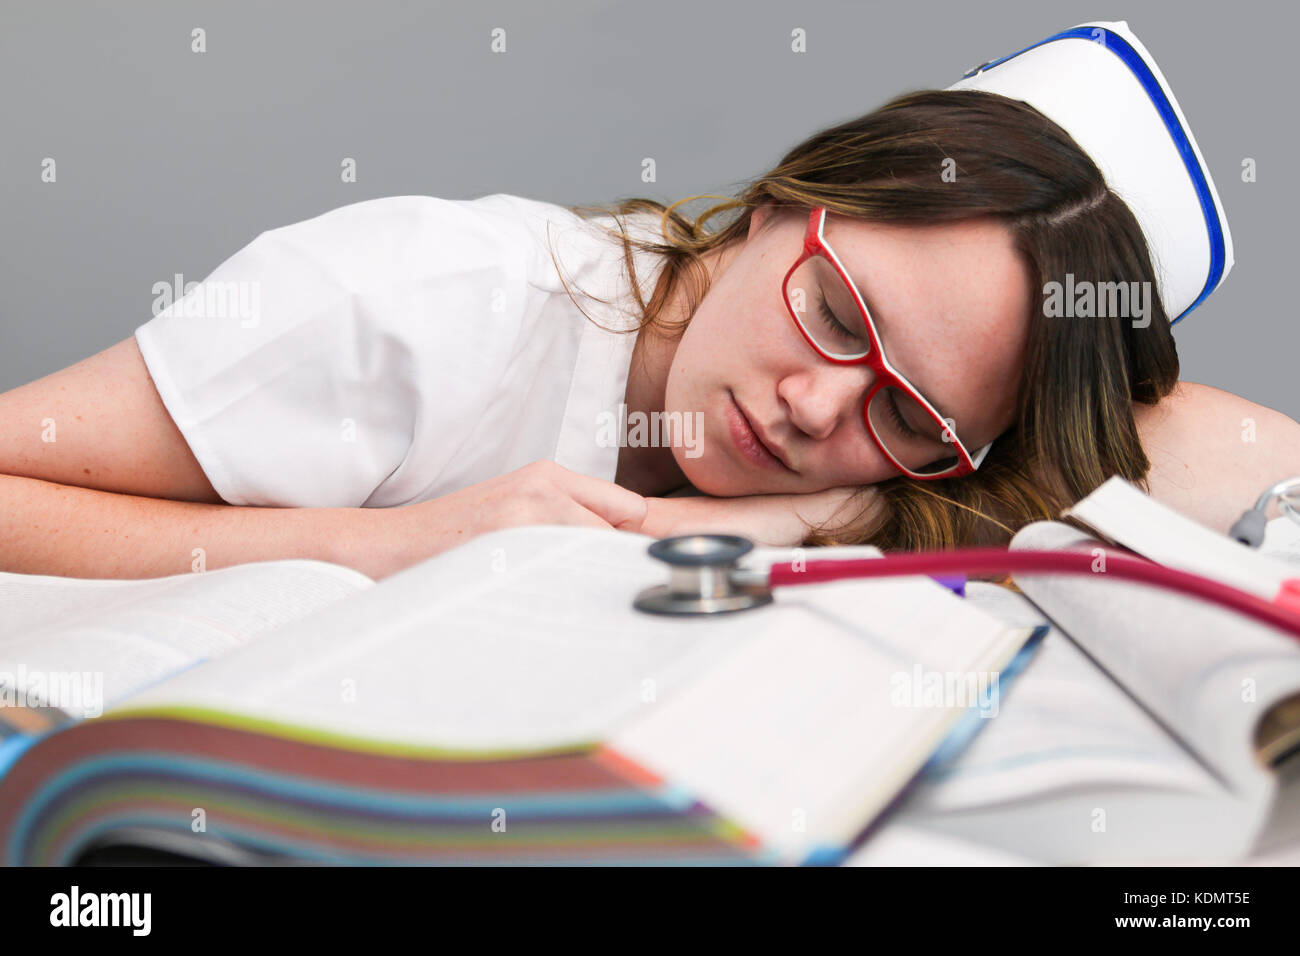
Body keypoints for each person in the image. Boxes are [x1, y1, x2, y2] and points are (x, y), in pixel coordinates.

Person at [2, 90, 1297, 581]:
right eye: (836, 314)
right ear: (790, 197)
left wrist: (818, 513)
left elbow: (1185, 443)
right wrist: (393, 544)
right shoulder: (425, 299)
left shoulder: (888, 474)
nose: (814, 412)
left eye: (905, 412)